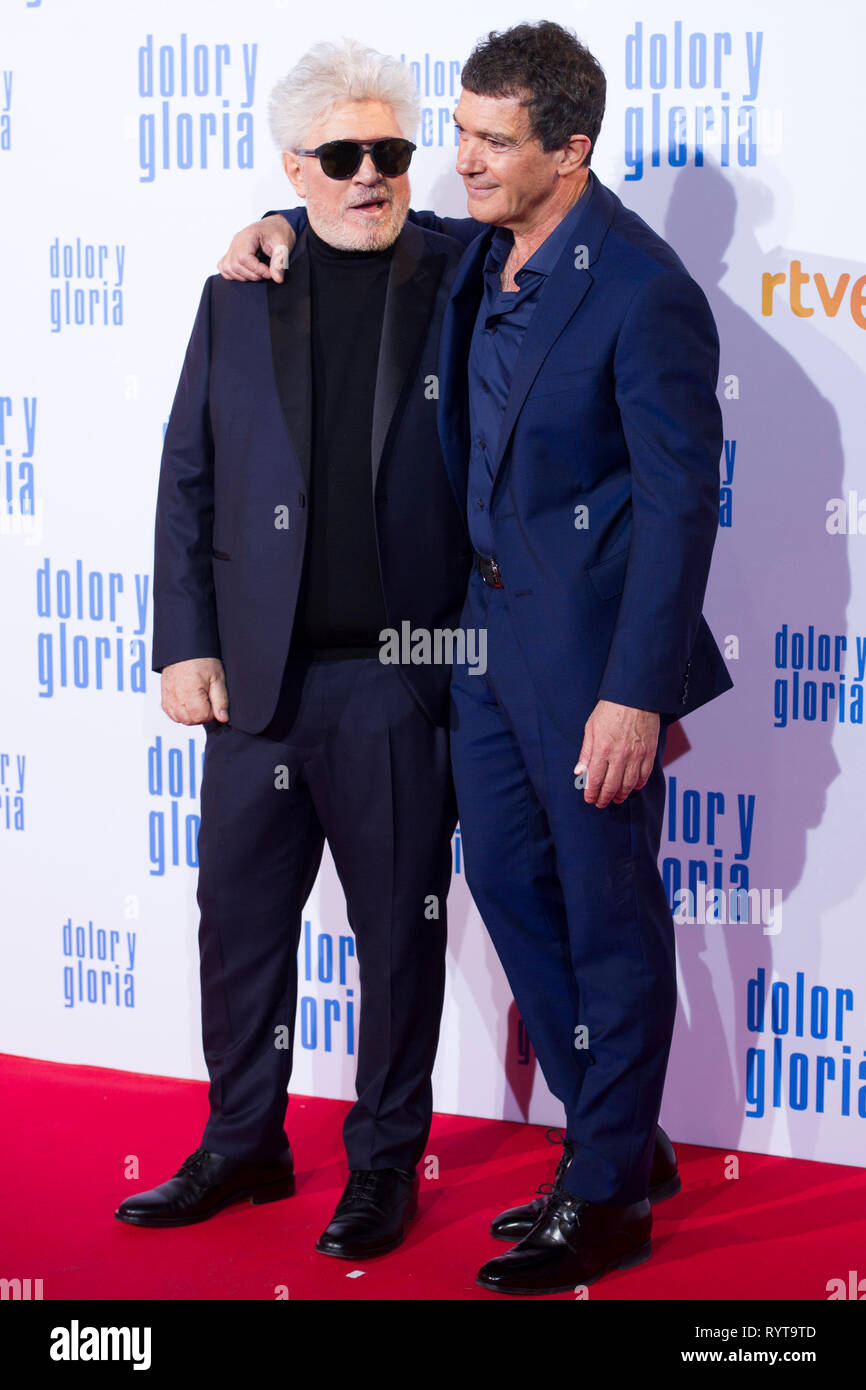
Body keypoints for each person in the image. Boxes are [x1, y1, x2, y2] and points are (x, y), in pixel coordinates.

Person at [220, 20, 733, 1295]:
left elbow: (677, 508)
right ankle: (620, 1141)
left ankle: (606, 1190)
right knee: (506, 888)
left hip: (590, 667)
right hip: (477, 651)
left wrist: (636, 689)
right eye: (455, 132)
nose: (459, 162)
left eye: (491, 142)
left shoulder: (642, 291)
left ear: (571, 149)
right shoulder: (472, 253)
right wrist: (259, 230)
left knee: (609, 918)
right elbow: (361, 221)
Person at [115, 39, 473, 1261]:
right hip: (253, 688)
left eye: (392, 152)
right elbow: (187, 474)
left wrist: (279, 206)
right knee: (242, 925)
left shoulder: (462, 265)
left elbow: (568, 218)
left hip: (394, 675)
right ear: (294, 166)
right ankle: (242, 1143)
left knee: (396, 935)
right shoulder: (241, 285)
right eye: (341, 157)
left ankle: (382, 1163)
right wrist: (182, 642)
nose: (371, 176)